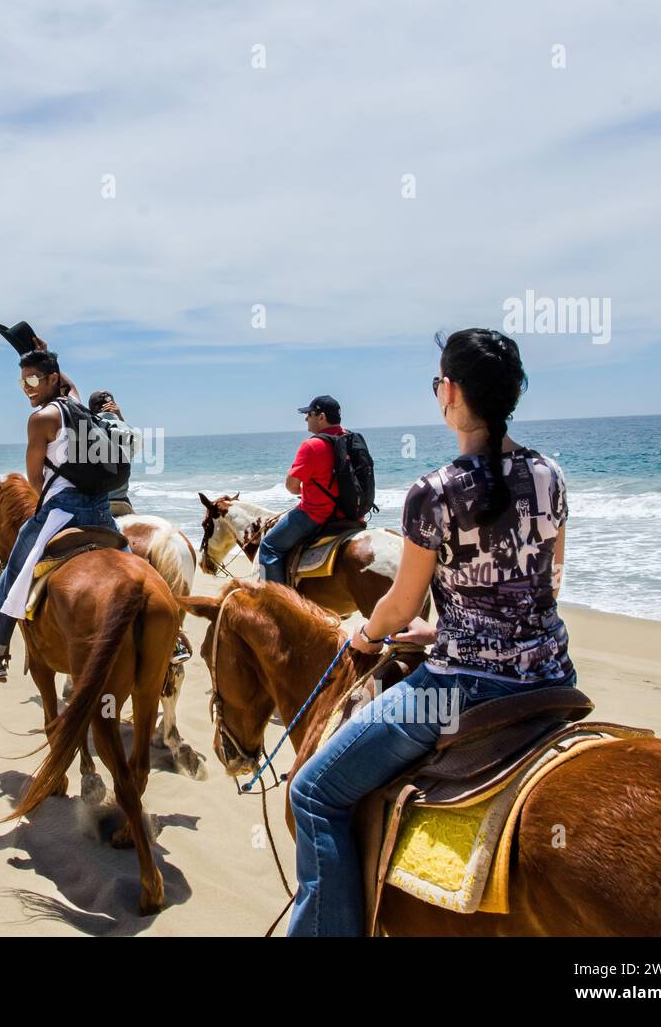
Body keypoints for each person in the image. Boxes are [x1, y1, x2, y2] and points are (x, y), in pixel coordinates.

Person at [286, 328, 576, 937]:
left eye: (439, 380)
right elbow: (547, 583)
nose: (438, 390)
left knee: (313, 792)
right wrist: (451, 632)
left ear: (451, 393)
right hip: (553, 675)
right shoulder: (551, 474)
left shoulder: (434, 492)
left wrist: (369, 635)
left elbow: (400, 604)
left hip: (463, 691)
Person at [0, 343, 120, 683]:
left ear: (51, 380)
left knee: (12, 573)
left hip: (62, 512)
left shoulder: (41, 420)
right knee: (136, 562)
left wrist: (48, 502)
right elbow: (72, 385)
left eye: (34, 382)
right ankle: (173, 644)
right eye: (23, 383)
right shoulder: (79, 407)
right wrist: (48, 355)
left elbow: (35, 480)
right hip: (101, 512)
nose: (27, 390)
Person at [258, 394, 353, 585]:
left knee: (269, 546)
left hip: (317, 515)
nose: (305, 418)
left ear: (321, 417)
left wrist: (306, 492)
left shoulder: (312, 445)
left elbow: (292, 486)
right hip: (351, 513)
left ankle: (276, 601)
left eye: (309, 414)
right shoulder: (351, 439)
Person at [87, 390, 135, 517]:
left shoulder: (85, 429)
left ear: (91, 410)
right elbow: (133, 447)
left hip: (94, 503)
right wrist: (120, 418)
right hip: (121, 503)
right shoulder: (127, 430)